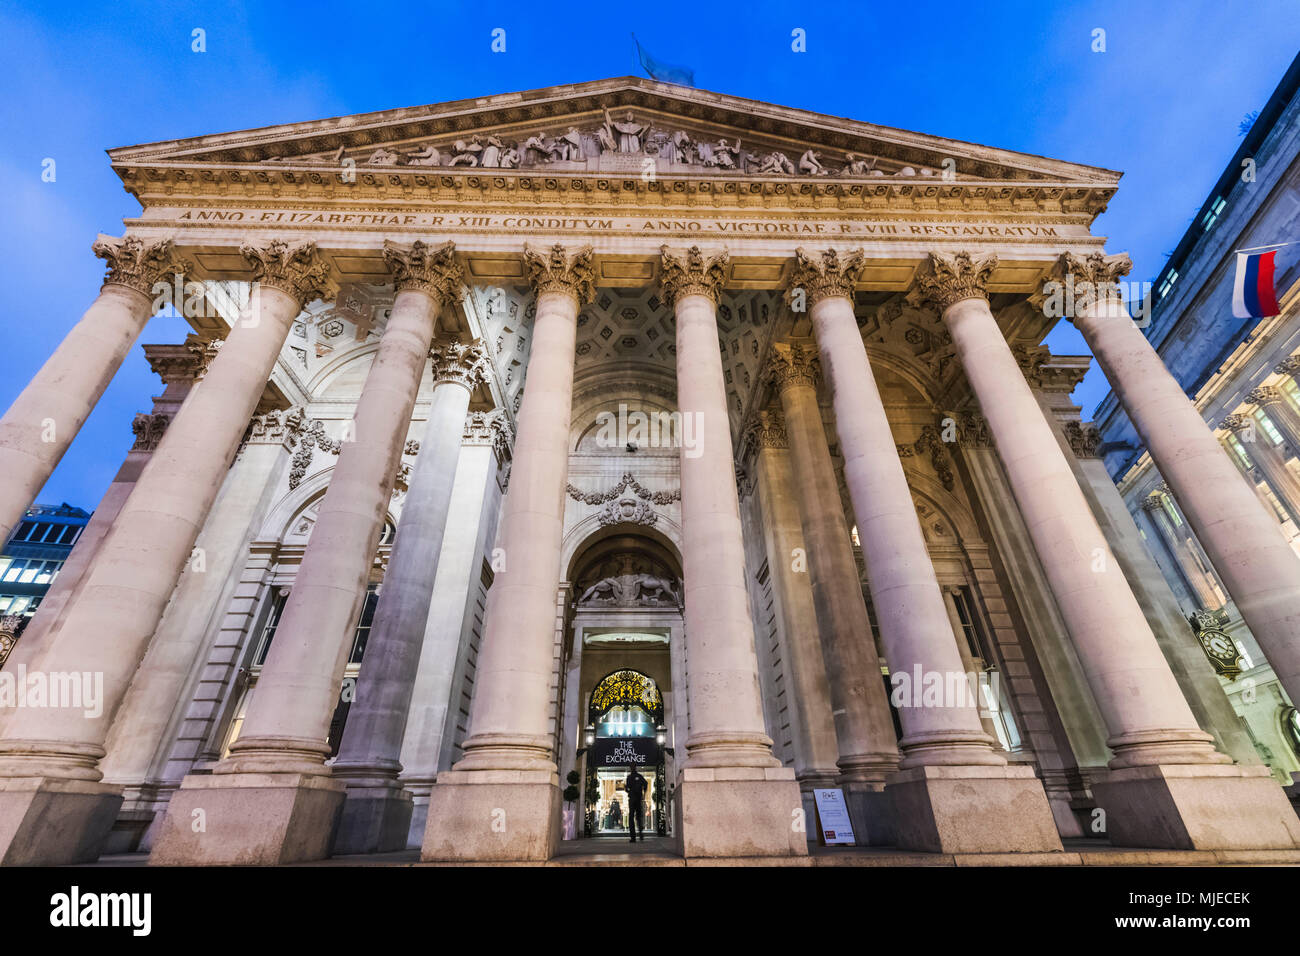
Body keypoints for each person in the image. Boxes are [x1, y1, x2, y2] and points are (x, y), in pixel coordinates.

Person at [624, 766, 648, 843]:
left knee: (632, 817)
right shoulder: (639, 776)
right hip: (637, 798)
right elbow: (645, 784)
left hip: (632, 798)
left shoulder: (629, 777)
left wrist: (628, 790)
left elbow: (627, 789)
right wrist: (643, 794)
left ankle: (633, 837)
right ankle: (640, 834)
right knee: (638, 817)